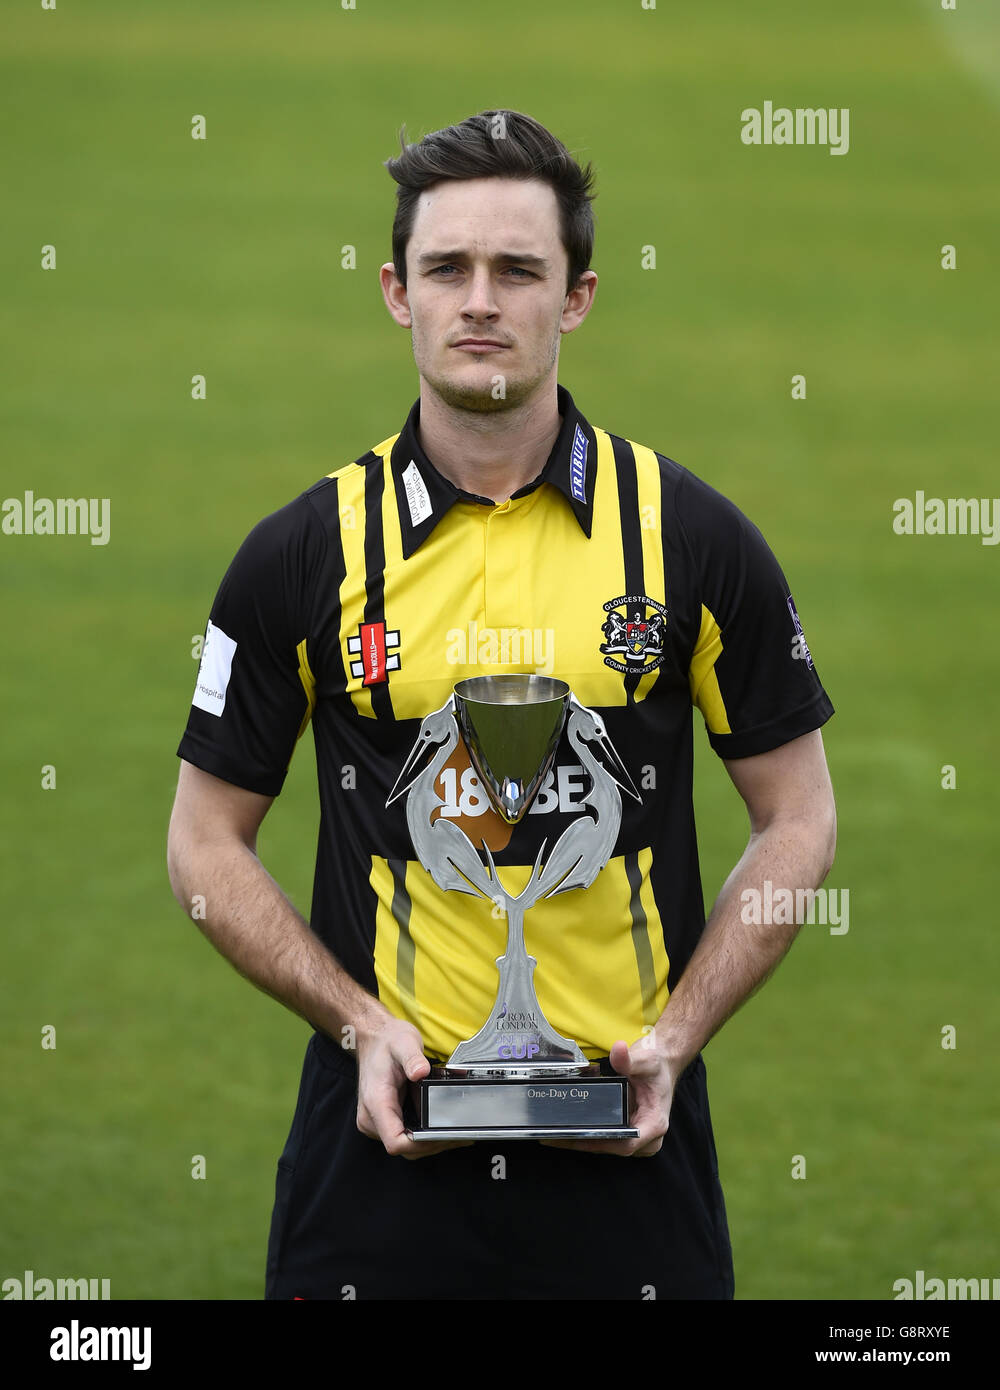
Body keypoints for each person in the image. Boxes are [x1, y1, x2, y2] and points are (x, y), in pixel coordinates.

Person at [167, 109, 836, 1301]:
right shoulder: (301, 555)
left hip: (629, 1159)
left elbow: (798, 818)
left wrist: (675, 1036)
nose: (481, 300)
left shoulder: (691, 539)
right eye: (448, 269)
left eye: (517, 270)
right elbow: (202, 843)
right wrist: (356, 1021)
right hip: (377, 1155)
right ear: (396, 292)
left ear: (574, 296)